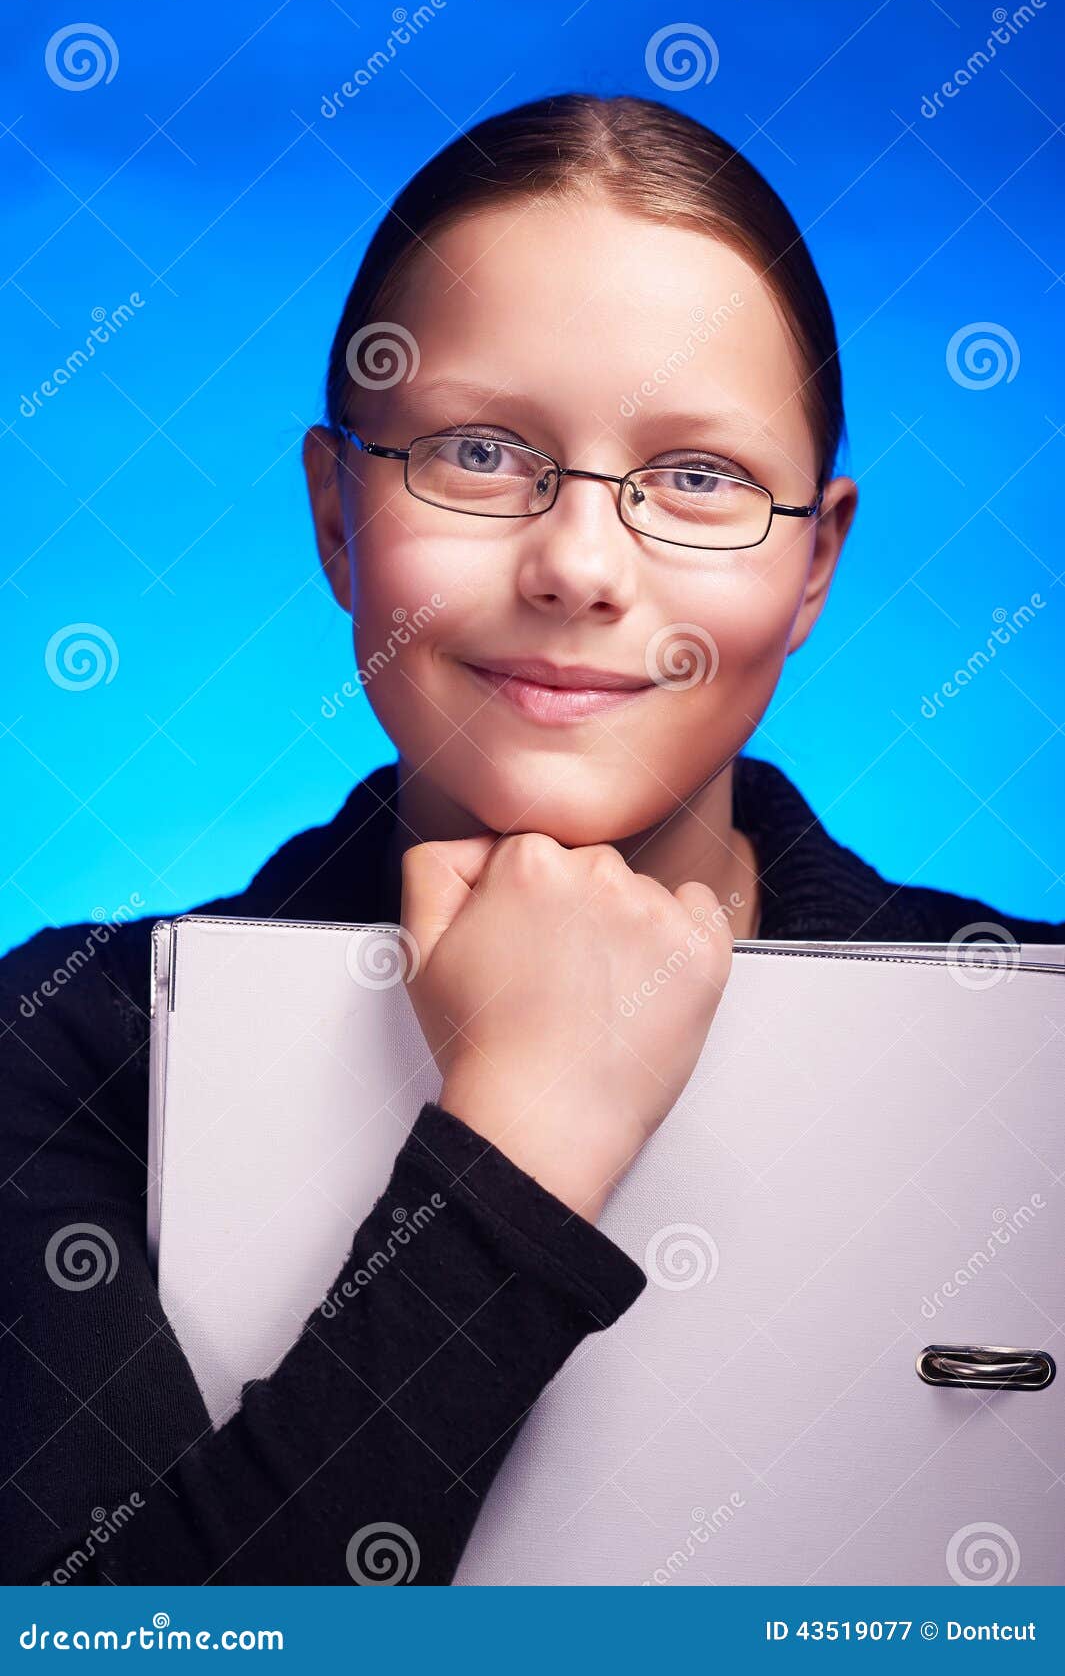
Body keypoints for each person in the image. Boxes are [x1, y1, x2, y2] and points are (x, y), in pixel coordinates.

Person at [1, 92, 1060, 1589]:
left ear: (814, 563)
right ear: (334, 515)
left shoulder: (1026, 1029)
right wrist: (523, 1140)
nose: (575, 564)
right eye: (479, 451)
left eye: (697, 477)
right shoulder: (64, 1046)